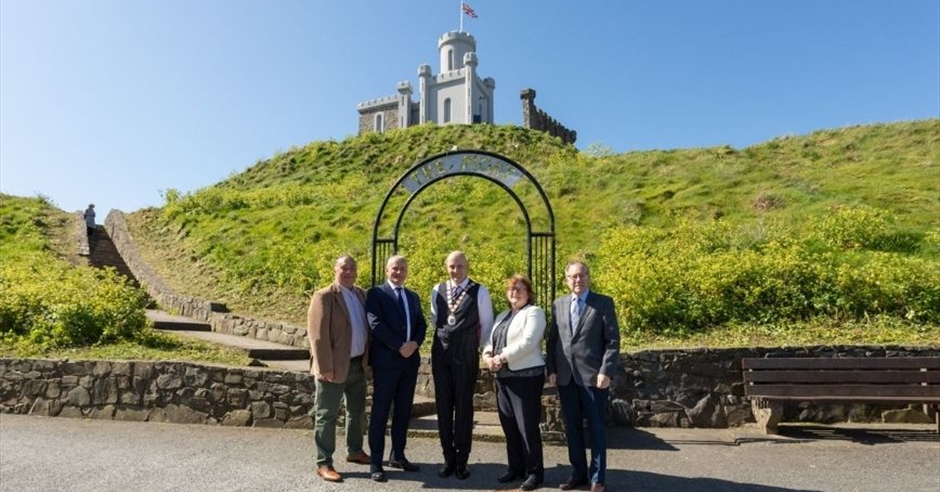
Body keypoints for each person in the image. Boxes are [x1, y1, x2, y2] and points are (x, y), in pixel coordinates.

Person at [547, 261, 620, 492]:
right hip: (566, 378)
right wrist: (551, 369)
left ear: (588, 277)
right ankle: (577, 473)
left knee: (597, 429)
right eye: (573, 276)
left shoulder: (603, 303)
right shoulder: (558, 304)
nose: (577, 280)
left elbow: (612, 341)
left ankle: (597, 477)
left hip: (593, 378)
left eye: (581, 275)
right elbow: (552, 340)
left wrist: (605, 371)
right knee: (573, 428)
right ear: (566, 280)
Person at [307, 255, 371, 483]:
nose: (349, 271)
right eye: (344, 267)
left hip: (357, 365)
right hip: (333, 367)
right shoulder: (324, 296)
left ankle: (355, 450)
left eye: (352, 267)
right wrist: (325, 367)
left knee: (356, 411)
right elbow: (317, 336)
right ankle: (324, 462)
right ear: (335, 269)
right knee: (327, 415)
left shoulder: (361, 294)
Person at [429, 250, 494, 479]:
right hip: (441, 355)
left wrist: (483, 350)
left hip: (466, 355)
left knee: (464, 407)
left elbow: (487, 324)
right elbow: (436, 319)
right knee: (444, 407)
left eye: (460, 266)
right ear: (446, 267)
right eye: (451, 266)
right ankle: (448, 457)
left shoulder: (479, 291)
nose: (456, 271)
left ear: (467, 266)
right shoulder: (437, 289)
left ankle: (462, 459)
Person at [365, 255, 428, 482]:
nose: (399, 272)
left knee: (403, 411)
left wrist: (415, 344)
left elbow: (422, 324)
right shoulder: (376, 293)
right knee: (380, 412)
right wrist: (399, 345)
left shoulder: (412, 296)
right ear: (386, 270)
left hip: (409, 363)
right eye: (395, 268)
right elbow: (375, 323)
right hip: (387, 363)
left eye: (402, 268)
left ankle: (398, 455)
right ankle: (375, 462)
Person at [482, 274, 546, 491]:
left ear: (528, 293)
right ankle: (515, 468)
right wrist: (488, 356)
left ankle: (534, 473)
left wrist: (501, 357)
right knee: (509, 426)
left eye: (519, 289)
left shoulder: (534, 313)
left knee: (527, 427)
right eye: (511, 289)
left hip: (526, 378)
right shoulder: (502, 315)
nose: (514, 293)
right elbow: (490, 342)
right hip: (503, 379)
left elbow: (529, 341)